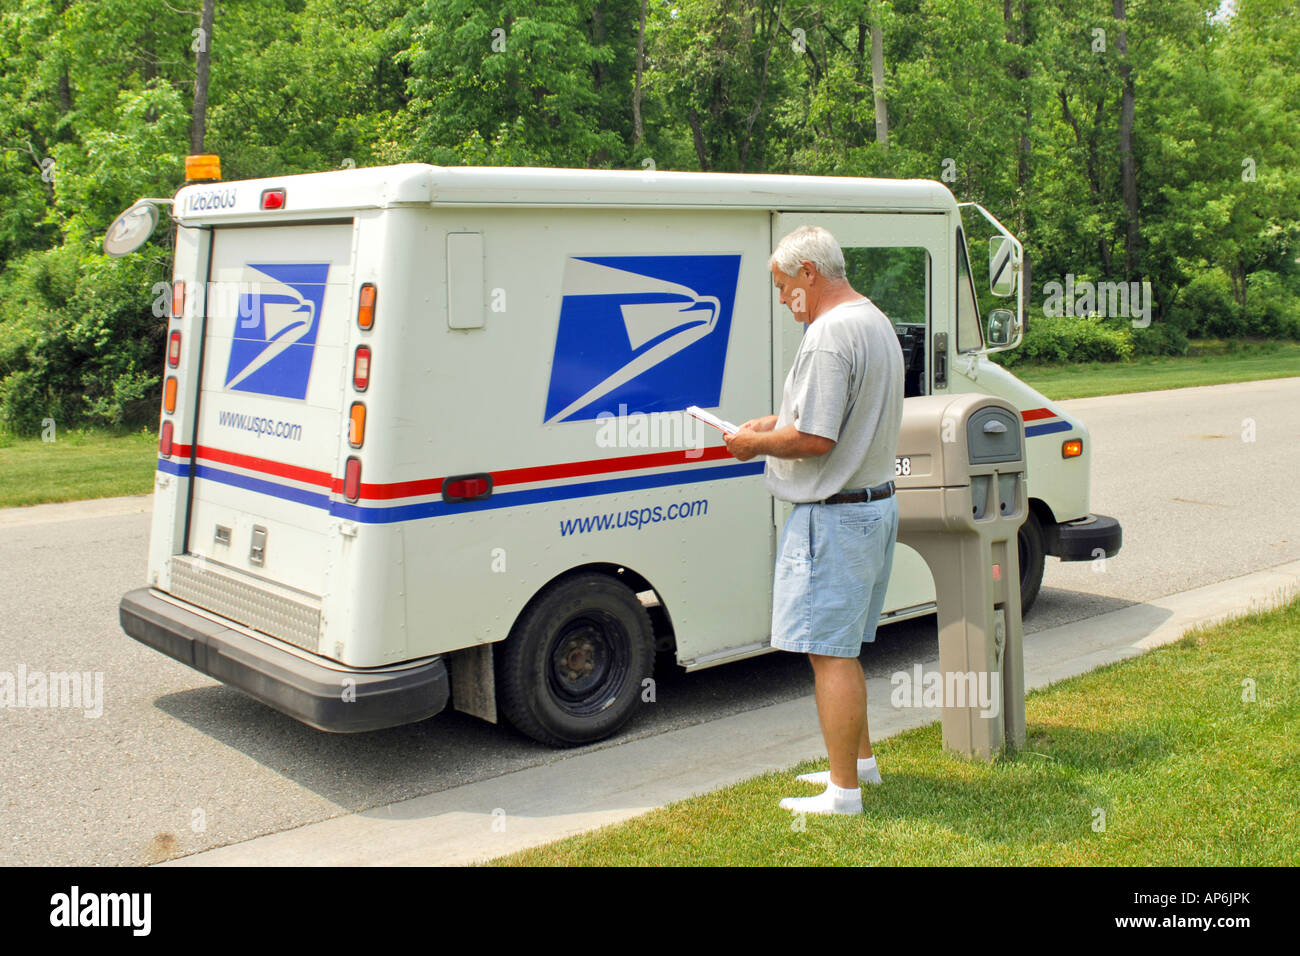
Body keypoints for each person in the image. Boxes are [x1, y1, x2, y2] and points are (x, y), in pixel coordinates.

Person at [724, 225, 904, 815]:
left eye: (783, 287)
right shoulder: (872, 320)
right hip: (874, 505)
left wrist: (755, 446)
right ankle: (861, 768)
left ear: (809, 274)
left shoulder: (827, 335)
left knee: (828, 653)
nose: (782, 300)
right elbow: (825, 413)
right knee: (844, 649)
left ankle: (843, 794)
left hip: (833, 517)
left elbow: (815, 438)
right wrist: (771, 423)